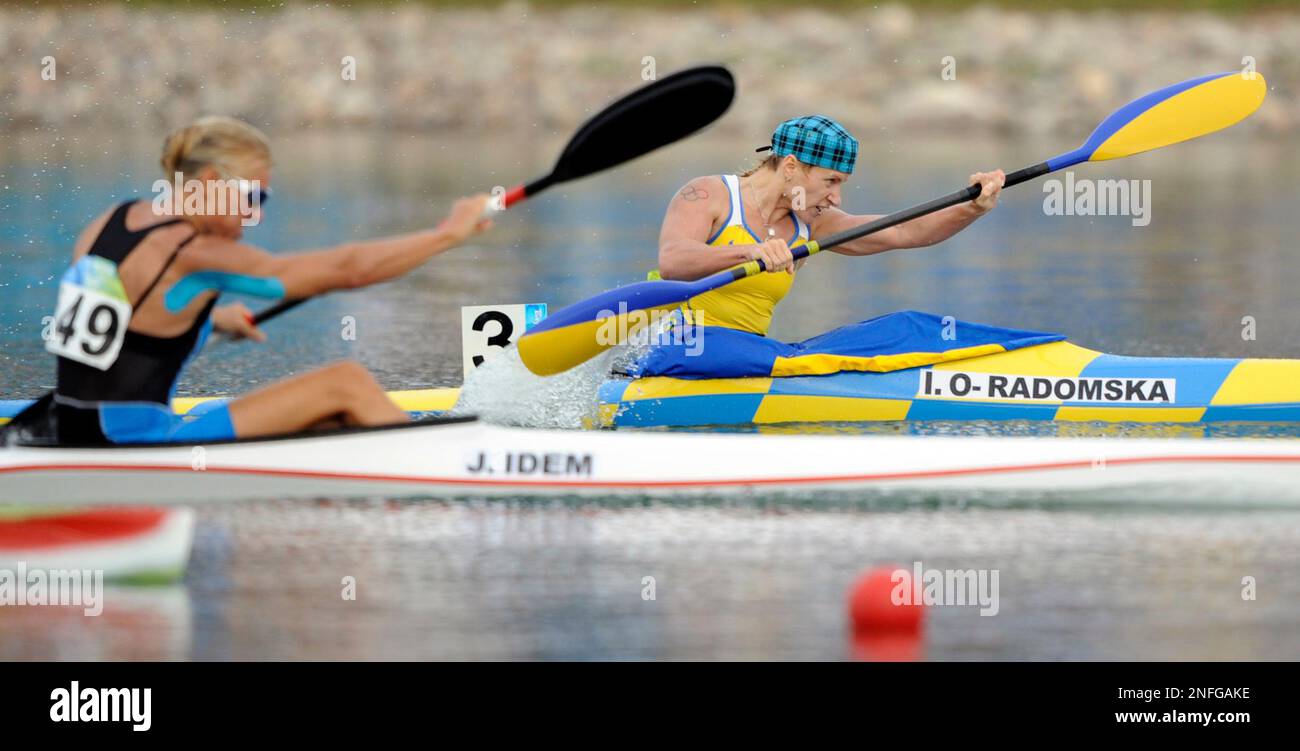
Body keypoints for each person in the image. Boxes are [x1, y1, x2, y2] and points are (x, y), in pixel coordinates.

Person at [25, 115, 489, 445]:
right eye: (253, 196)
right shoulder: (196, 253)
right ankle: (455, 473)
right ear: (208, 181)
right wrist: (445, 236)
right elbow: (346, 271)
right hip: (128, 443)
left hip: (67, 425)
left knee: (330, 422)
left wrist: (215, 318)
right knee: (344, 384)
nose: (254, 214)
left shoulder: (110, 221)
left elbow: (127, 324)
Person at [656, 115, 1005, 336]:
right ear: (791, 166)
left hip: (743, 359)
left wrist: (973, 207)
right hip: (674, 347)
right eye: (830, 181)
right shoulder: (708, 193)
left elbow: (904, 231)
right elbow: (673, 263)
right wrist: (751, 251)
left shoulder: (812, 223)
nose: (836, 198)